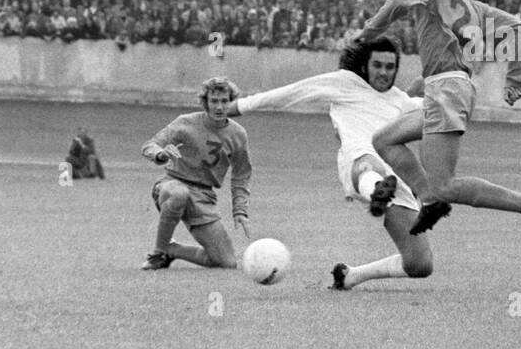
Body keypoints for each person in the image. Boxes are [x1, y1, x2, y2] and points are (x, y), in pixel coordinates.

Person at [353, 0, 521, 243]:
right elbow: (520, 30)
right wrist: (515, 80)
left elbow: (396, 2)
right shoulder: (471, 6)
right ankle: (431, 200)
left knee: (446, 186)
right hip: (449, 87)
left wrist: (364, 35)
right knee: (384, 140)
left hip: (446, 91)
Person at [228, 37, 434, 290]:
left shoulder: (400, 100)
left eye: (389, 67)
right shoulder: (345, 83)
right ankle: (377, 190)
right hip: (358, 162)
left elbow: (432, 112)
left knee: (420, 264)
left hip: (395, 177)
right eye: (377, 65)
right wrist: (239, 106)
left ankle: (350, 276)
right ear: (364, 66)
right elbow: (293, 92)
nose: (383, 72)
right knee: (370, 163)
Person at [140, 76, 252, 271]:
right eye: (214, 101)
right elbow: (150, 145)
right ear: (205, 103)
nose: (219, 107)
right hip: (171, 184)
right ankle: (157, 254)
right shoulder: (185, 122)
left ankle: (172, 250)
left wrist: (240, 209)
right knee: (178, 194)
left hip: (203, 196)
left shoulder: (238, 134)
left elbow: (241, 174)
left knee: (226, 263)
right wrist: (161, 154)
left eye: (224, 101)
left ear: (230, 102)